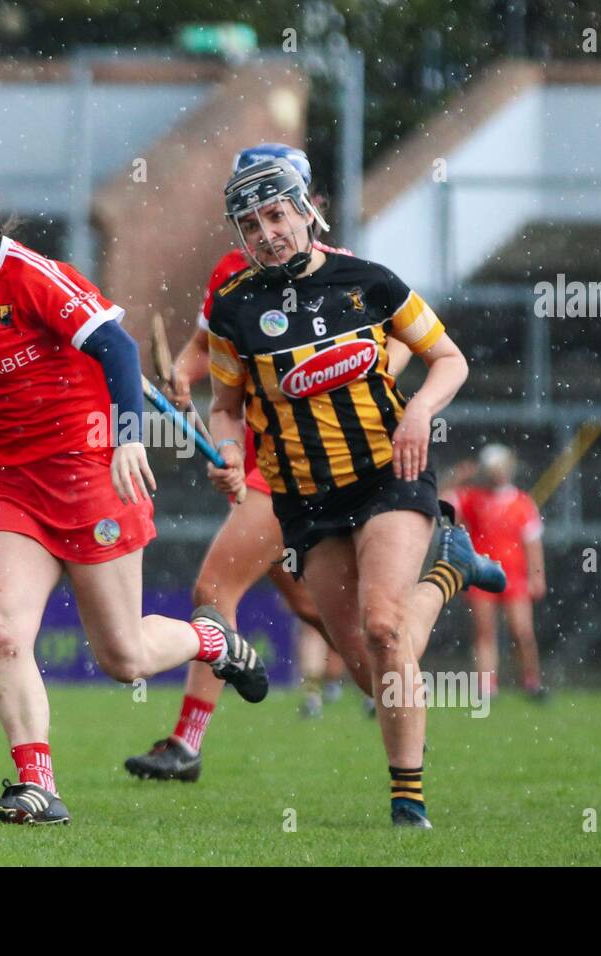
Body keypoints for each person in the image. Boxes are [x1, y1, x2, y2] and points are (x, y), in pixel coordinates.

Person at [0, 170, 269, 825]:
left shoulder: (35, 277)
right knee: (2, 630)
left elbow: (117, 348)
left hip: (93, 478)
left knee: (124, 659)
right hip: (13, 489)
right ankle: (37, 786)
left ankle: (213, 642)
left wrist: (127, 439)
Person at [124, 143, 497, 781]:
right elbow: (202, 357)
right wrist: (186, 384)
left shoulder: (353, 277)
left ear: (304, 205)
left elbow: (390, 362)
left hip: (310, 471)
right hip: (275, 464)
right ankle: (403, 707)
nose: (266, 230)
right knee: (331, 620)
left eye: (276, 207)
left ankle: (189, 743)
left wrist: (331, 404)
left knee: (220, 592)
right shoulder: (232, 279)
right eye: (250, 214)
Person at [447, 444, 547, 701]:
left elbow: (532, 543)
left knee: (522, 632)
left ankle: (531, 681)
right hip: (482, 574)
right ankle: (487, 685)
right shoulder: (472, 497)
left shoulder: (522, 502)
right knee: (485, 632)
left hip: (514, 575)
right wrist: (457, 477)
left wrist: (537, 575)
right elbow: (443, 504)